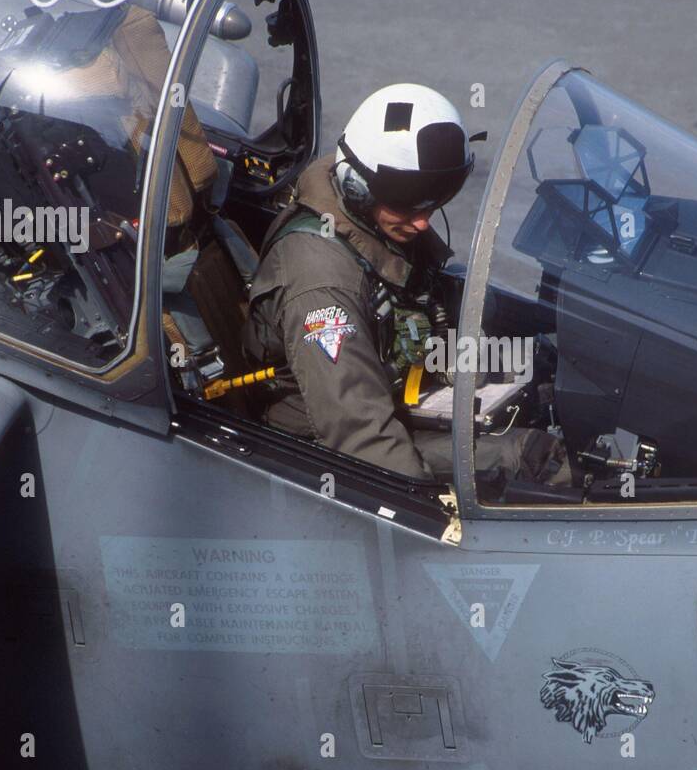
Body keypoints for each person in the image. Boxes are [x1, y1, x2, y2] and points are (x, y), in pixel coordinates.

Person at [241, 83, 569, 485]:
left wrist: (557, 321)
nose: (422, 222)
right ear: (357, 188)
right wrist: (432, 522)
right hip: (325, 443)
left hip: (402, 388)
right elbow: (361, 436)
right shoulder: (322, 284)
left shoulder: (373, 220)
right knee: (533, 458)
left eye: (432, 202)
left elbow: (437, 293)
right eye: (409, 204)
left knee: (546, 369)